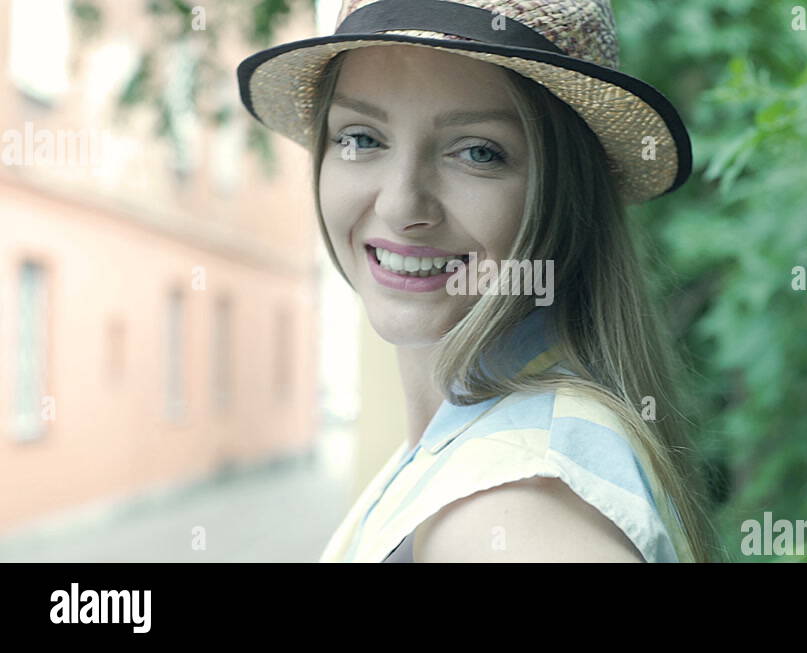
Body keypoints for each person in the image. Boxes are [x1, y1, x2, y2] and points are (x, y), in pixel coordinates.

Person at [238, 0, 717, 562]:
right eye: (362, 138)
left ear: (567, 190)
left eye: (477, 152)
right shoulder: (472, 450)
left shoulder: (517, 508)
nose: (400, 206)